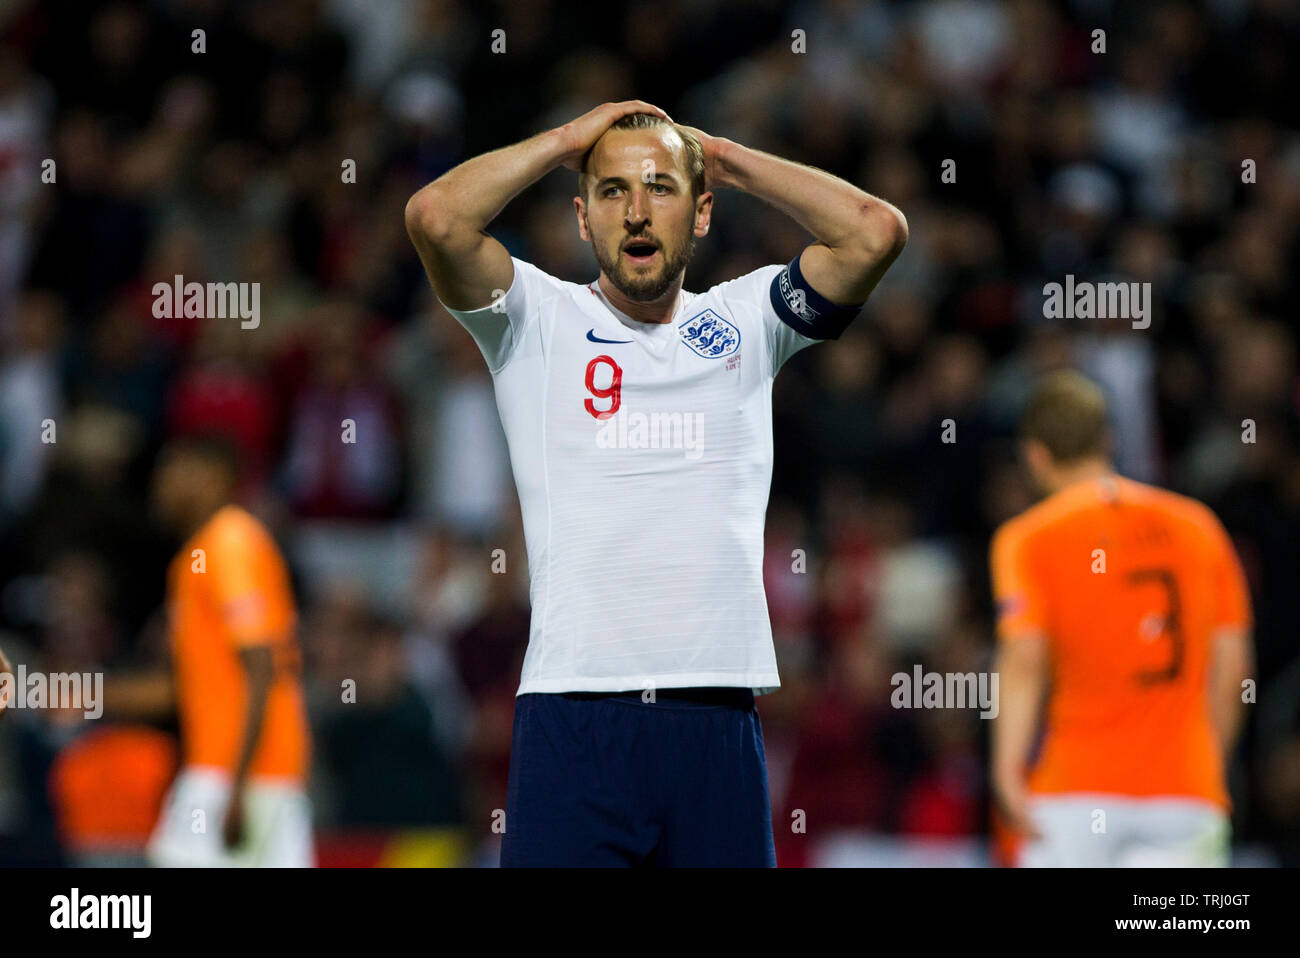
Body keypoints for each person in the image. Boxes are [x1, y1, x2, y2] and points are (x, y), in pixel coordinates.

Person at [404, 101, 907, 866]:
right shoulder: (532, 319)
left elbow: (875, 231)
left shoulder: (748, 322)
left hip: (715, 712)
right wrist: (567, 140)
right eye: (611, 191)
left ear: (703, 213)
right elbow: (436, 217)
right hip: (574, 715)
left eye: (662, 188)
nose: (637, 213)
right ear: (582, 217)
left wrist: (726, 157)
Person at [990, 371, 1254, 866]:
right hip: (1185, 794)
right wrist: (1205, 763)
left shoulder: (1028, 540)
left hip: (1075, 793)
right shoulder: (1198, 527)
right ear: (1108, 439)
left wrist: (1006, 771)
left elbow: (1024, 658)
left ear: (1035, 454)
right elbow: (1234, 664)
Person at [142, 433, 313, 867]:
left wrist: (236, 787)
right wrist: (53, 691)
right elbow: (179, 690)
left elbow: (260, 665)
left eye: (171, 472)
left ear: (212, 478)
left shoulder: (229, 541)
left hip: (240, 773)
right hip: (235, 771)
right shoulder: (197, 554)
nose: (160, 486)